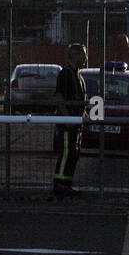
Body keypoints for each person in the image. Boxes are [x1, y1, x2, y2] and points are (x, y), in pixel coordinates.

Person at [52, 43, 88, 198]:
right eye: (83, 54)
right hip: (67, 124)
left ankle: (67, 184)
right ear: (75, 56)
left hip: (77, 124)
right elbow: (59, 97)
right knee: (66, 153)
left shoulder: (79, 76)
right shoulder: (65, 74)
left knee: (74, 153)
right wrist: (66, 117)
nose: (86, 58)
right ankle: (59, 186)